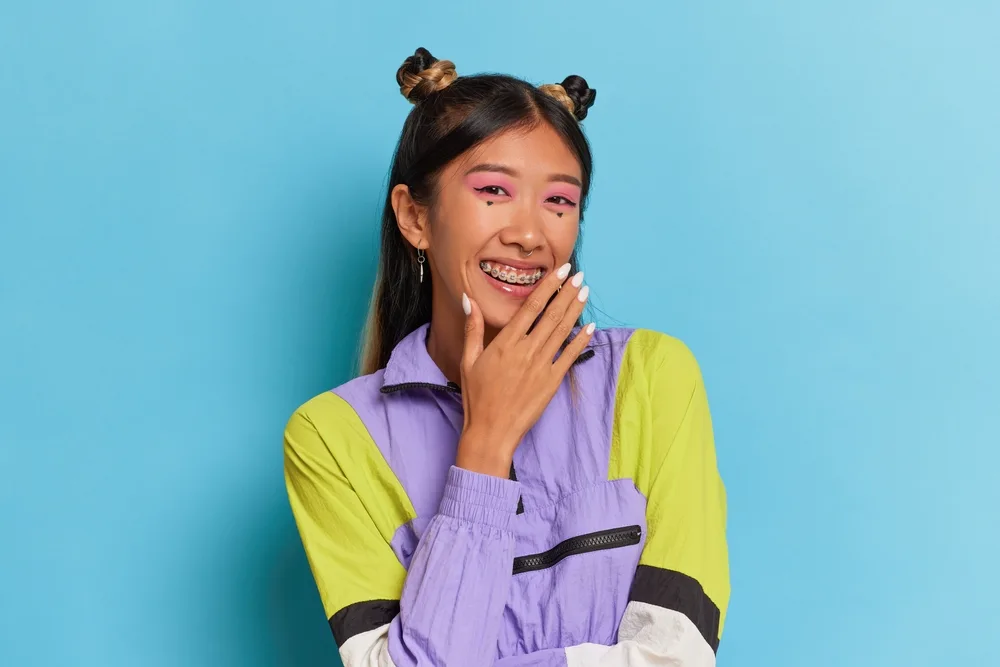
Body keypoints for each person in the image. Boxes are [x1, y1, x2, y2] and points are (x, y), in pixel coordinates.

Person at [284, 47, 730, 667]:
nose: (529, 233)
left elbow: (675, 657)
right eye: (494, 190)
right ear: (415, 216)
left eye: (559, 201)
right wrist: (484, 448)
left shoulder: (651, 378)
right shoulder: (332, 438)